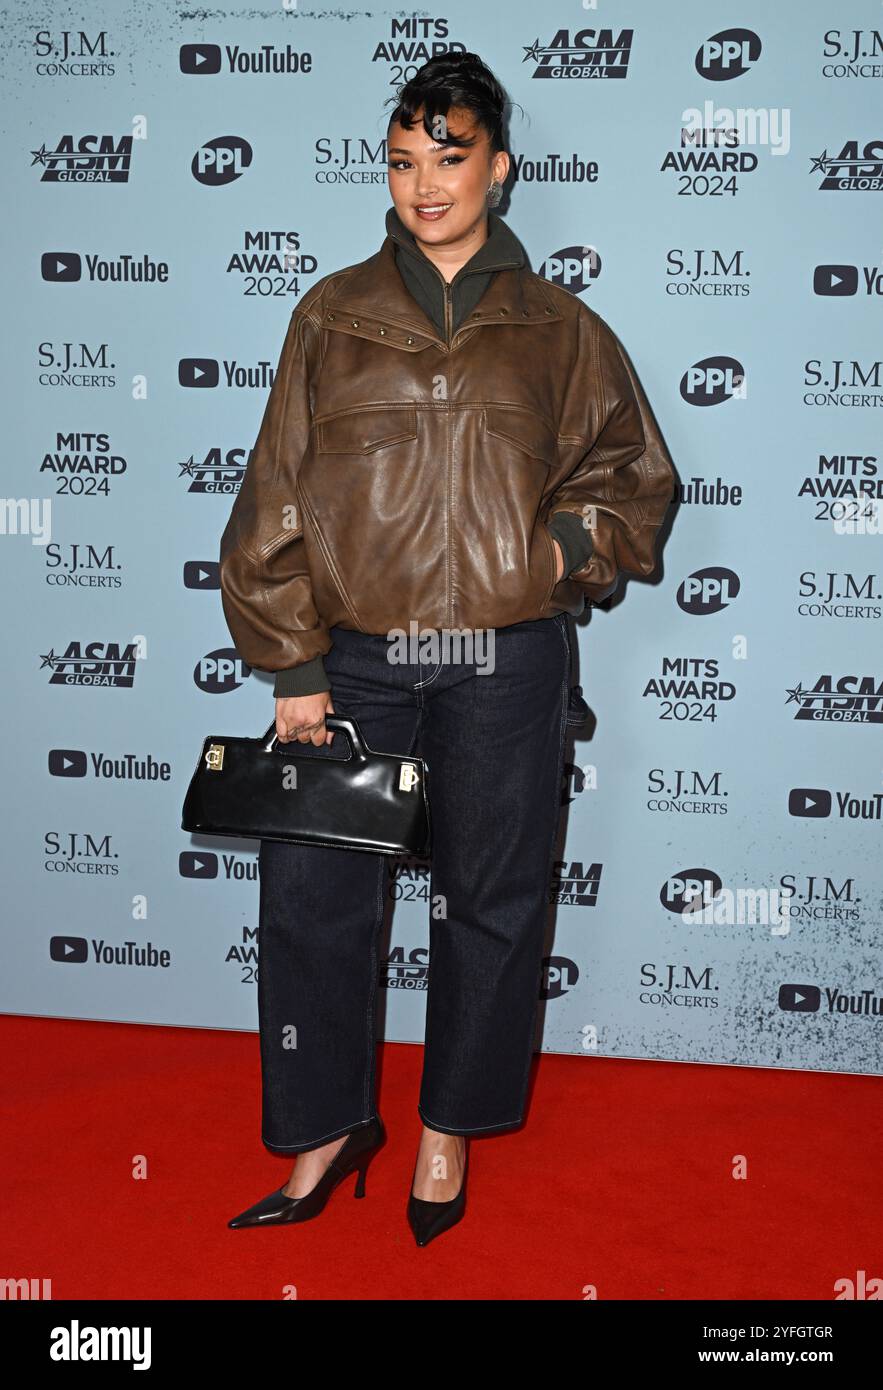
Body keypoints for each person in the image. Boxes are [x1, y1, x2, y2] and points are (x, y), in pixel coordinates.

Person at [218, 51, 675, 1246]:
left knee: (492, 902)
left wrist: (549, 555)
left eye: (449, 157)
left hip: (506, 666)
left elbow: (636, 487)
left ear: (498, 167)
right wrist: (296, 669)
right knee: (313, 899)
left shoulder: (559, 328)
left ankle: (446, 1130)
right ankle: (324, 1127)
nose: (425, 184)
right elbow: (274, 496)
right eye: (404, 161)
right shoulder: (331, 312)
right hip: (358, 660)